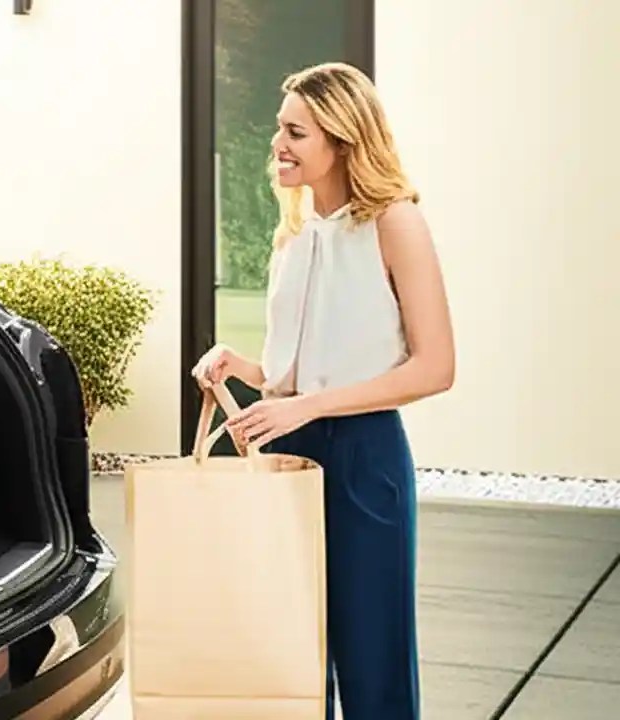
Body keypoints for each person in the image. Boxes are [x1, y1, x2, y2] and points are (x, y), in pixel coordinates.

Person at [192, 61, 454, 720]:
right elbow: (298, 371)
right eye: (280, 129)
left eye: (295, 132)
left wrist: (302, 405)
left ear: (342, 139)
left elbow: (435, 367)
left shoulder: (396, 223)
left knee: (372, 655)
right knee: (291, 657)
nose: (277, 145)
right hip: (285, 454)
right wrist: (243, 369)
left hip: (364, 456)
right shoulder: (293, 236)